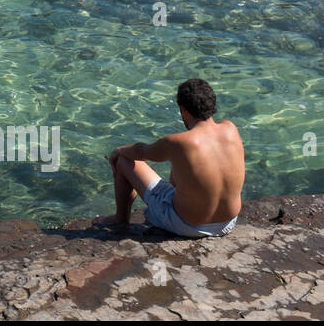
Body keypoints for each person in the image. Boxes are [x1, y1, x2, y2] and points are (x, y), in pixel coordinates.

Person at [95, 78, 243, 238]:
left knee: (124, 160)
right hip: (227, 223)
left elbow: (140, 151)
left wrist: (118, 150)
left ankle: (120, 219)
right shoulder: (230, 129)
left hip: (187, 225)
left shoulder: (178, 142)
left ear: (184, 110)